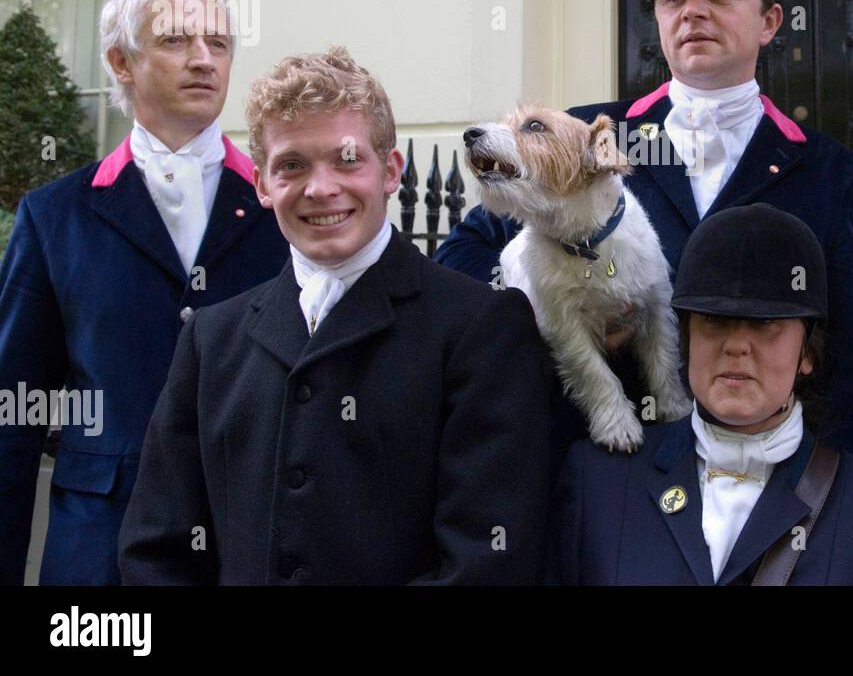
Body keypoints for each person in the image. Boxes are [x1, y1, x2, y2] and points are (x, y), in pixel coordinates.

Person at [437, 0, 853, 460]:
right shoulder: (586, 136)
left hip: (769, 471)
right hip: (606, 467)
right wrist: (552, 310)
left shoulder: (827, 169)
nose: (693, 11)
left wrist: (849, 487)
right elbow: (464, 255)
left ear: (770, 22)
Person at [118, 48, 551, 584]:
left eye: (347, 159)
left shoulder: (482, 328)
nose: (320, 188)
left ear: (390, 171)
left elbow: (486, 559)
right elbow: (156, 549)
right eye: (292, 165)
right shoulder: (211, 339)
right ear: (262, 185)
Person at [0, 0, 288, 586]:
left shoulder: (283, 211)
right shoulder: (55, 216)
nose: (204, 59)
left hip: (246, 550)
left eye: (217, 42)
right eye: (177, 40)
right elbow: (14, 414)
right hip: (97, 554)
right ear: (122, 61)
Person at [548, 203, 853, 585]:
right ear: (686, 339)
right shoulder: (597, 484)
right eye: (715, 321)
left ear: (808, 353)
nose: (736, 347)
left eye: (764, 323)